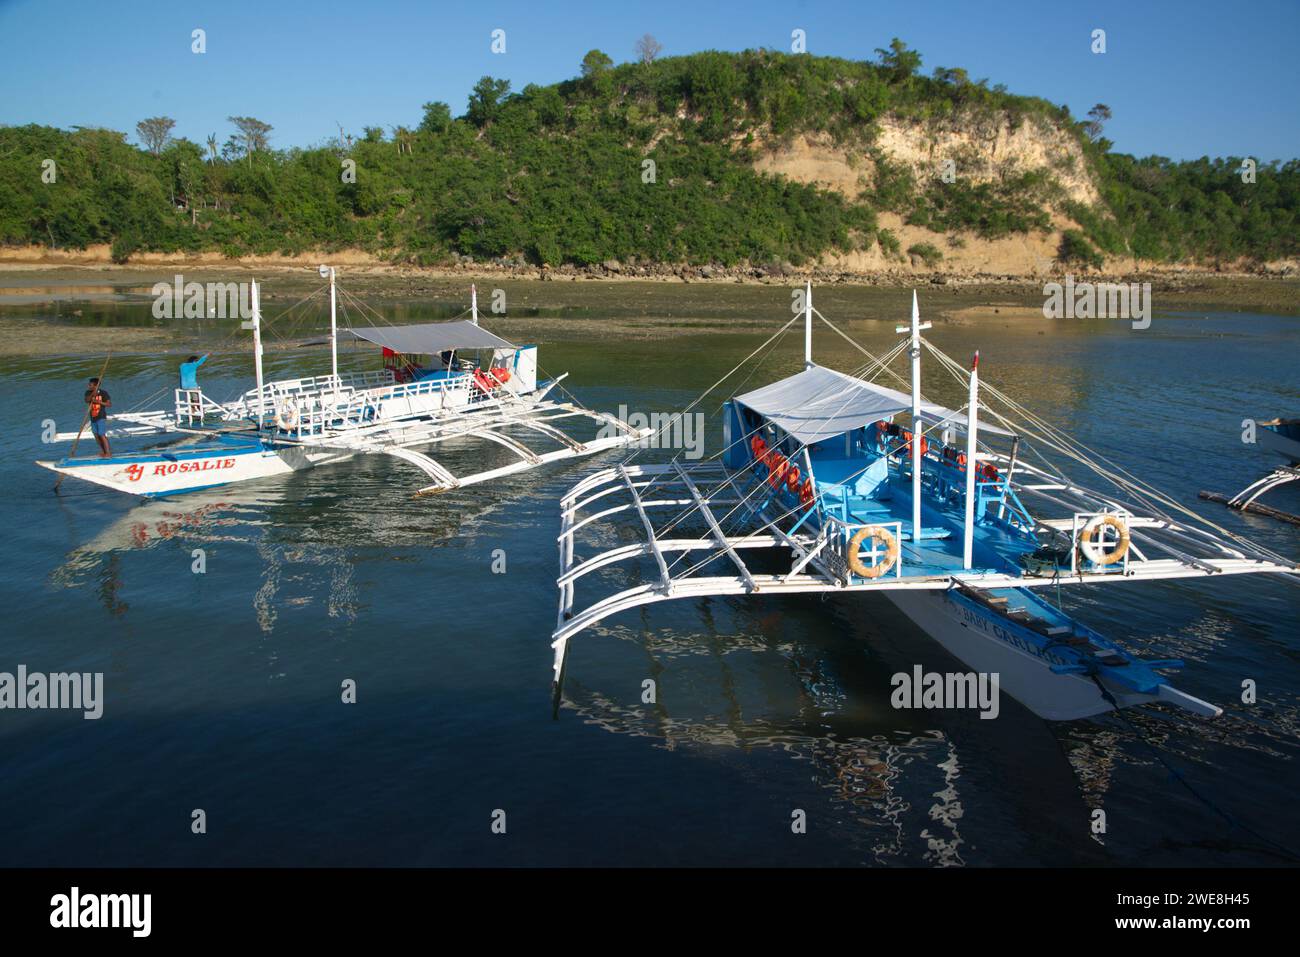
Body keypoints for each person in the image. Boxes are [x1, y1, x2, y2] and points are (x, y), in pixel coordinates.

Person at [84, 376, 112, 457]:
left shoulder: (103, 393)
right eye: (89, 385)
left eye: (90, 385)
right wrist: (93, 394)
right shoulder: (88, 392)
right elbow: (87, 400)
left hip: (101, 416)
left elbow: (109, 404)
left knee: (101, 434)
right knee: (96, 435)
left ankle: (108, 452)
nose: (88, 386)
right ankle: (103, 451)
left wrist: (98, 402)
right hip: (93, 417)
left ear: (96, 385)